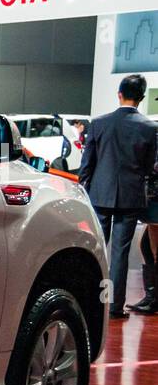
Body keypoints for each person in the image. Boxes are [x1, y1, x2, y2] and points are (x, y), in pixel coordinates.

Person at [78, 74, 158, 319]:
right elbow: (151, 166)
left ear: (119, 94)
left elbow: (86, 165)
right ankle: (114, 306)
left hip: (99, 195)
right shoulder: (150, 128)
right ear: (142, 98)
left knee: (97, 249)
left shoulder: (99, 123)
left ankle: (90, 301)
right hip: (131, 197)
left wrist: (86, 190)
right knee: (120, 254)